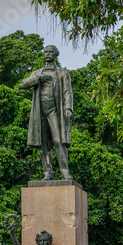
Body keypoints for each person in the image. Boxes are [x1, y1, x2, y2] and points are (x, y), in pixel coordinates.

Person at [21, 45, 73, 181]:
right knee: (43, 143)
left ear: (56, 55)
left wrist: (68, 108)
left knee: (58, 141)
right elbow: (23, 84)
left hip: (54, 111)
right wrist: (38, 78)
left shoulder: (62, 73)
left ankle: (65, 172)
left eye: (51, 52)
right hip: (39, 112)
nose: (47, 54)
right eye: (46, 52)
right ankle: (48, 172)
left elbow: (67, 92)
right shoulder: (38, 73)